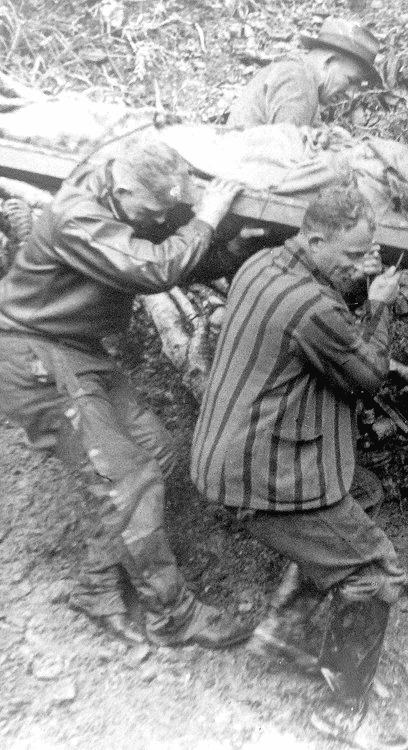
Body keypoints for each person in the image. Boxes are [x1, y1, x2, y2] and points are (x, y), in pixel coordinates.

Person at [0, 138, 255, 648]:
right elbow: (153, 268)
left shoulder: (119, 202)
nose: (159, 219)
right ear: (122, 187)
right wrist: (203, 220)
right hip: (33, 355)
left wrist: (230, 248)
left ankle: (98, 585)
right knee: (127, 476)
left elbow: (167, 261)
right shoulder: (78, 216)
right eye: (155, 209)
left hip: (75, 347)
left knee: (156, 455)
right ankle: (173, 615)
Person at [190, 181, 408, 750]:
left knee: (363, 491)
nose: (362, 267)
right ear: (313, 240)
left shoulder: (264, 263)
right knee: (376, 574)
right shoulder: (313, 307)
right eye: (353, 256)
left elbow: (329, 326)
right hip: (257, 472)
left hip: (232, 448)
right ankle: (342, 707)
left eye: (369, 254)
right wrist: (381, 302)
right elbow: (368, 376)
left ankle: (288, 629)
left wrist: (357, 283)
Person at [227, 17, 382, 129]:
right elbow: (289, 158)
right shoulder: (299, 80)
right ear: (329, 61)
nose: (352, 94)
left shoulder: (294, 72)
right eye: (351, 81)